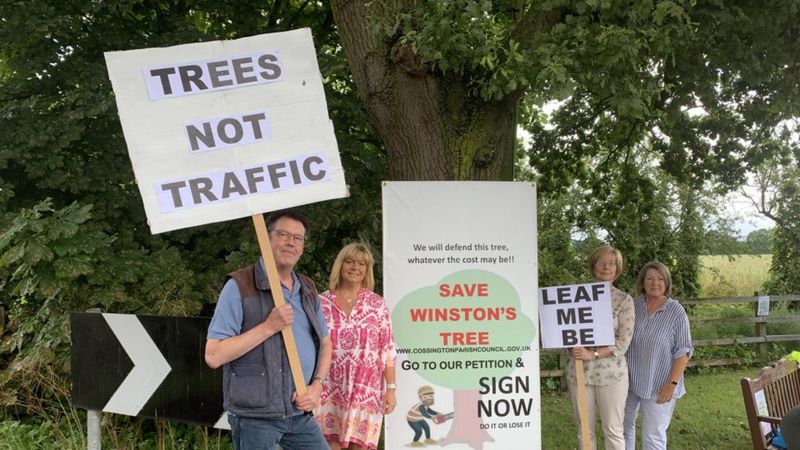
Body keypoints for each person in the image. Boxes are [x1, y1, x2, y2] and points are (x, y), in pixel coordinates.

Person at [205, 208, 332, 450]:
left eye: (297, 238)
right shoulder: (239, 286)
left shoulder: (307, 288)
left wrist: (317, 386)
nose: (290, 243)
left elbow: (326, 343)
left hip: (299, 413)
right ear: (267, 238)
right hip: (256, 417)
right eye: (283, 234)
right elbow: (213, 355)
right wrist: (268, 326)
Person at [315, 242, 397, 450]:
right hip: (329, 389)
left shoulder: (377, 304)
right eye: (349, 262)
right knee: (328, 446)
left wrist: (391, 389)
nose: (355, 267)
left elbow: (387, 350)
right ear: (340, 266)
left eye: (362, 264)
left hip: (365, 390)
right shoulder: (321, 302)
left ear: (367, 270)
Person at [566, 245, 635, 450]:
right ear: (593, 266)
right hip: (579, 373)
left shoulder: (624, 300)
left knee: (613, 430)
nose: (607, 267)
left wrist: (593, 353)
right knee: (584, 431)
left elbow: (623, 341)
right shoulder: (573, 296)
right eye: (601, 263)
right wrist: (570, 344)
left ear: (618, 269)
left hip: (611, 375)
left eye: (612, 263)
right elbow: (562, 328)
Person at [623, 261, 692, 450]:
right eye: (650, 278)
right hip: (629, 381)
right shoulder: (632, 306)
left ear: (667, 282)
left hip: (660, 383)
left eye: (660, 279)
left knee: (653, 437)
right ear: (642, 282)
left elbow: (683, 351)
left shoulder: (676, 311)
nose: (655, 283)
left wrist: (672, 384)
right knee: (622, 430)